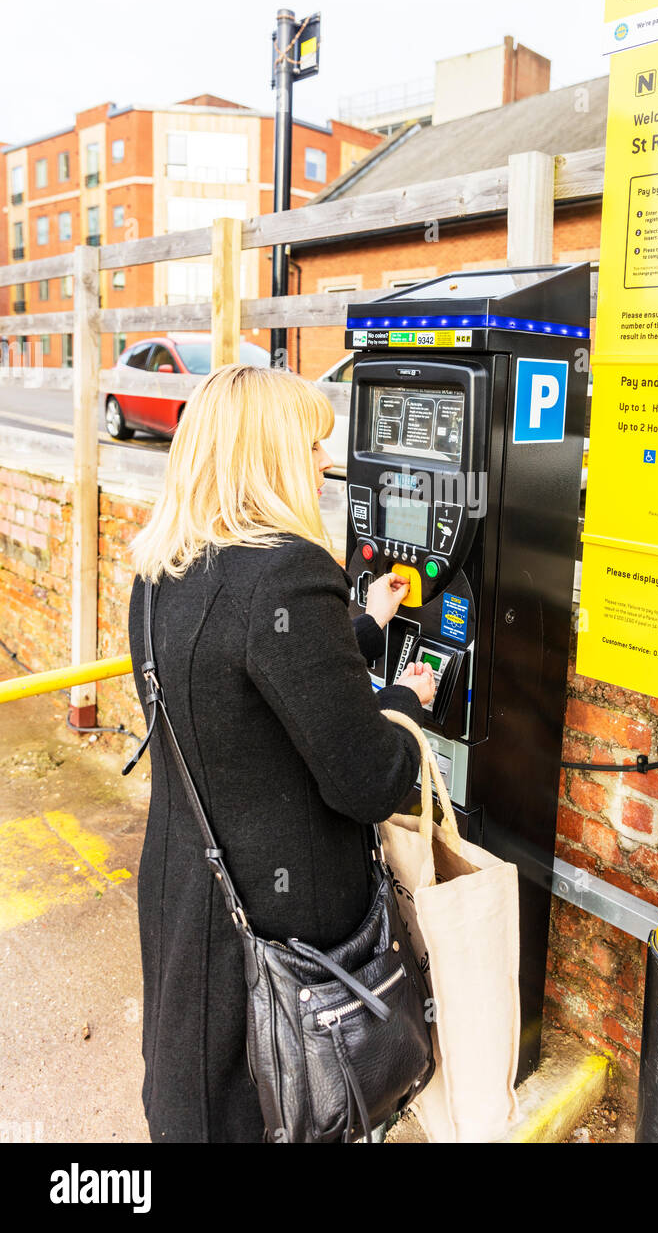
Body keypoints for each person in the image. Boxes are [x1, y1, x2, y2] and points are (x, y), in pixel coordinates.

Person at [127, 363, 436, 1143]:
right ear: (265, 457)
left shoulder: (162, 569)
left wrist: (361, 625)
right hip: (279, 919)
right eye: (310, 445)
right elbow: (366, 781)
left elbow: (240, 676)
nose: (326, 462)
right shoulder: (289, 573)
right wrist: (404, 704)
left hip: (184, 887)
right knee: (285, 1099)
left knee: (199, 1091)